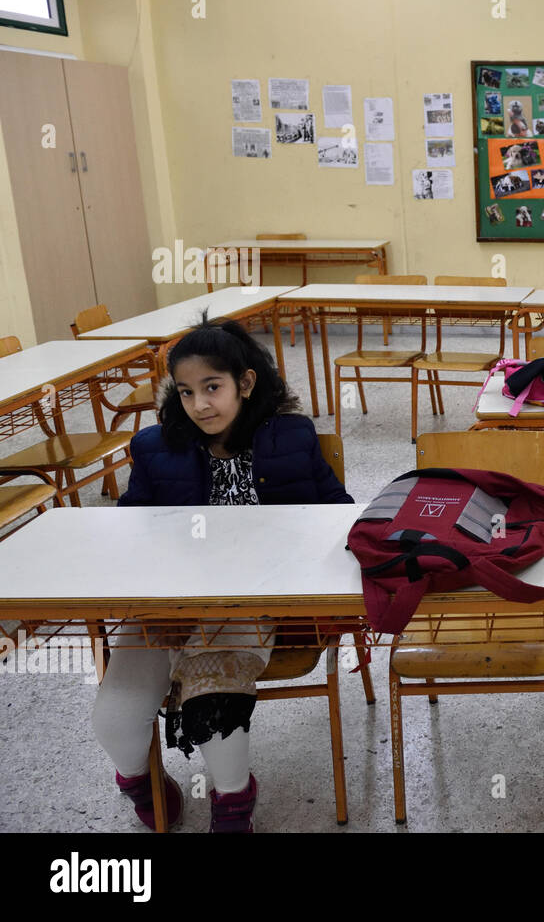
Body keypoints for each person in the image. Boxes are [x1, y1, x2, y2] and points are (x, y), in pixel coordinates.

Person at [93, 316, 352, 832]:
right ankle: (143, 782)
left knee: (214, 711)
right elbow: (130, 527)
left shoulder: (291, 438)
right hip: (165, 605)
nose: (200, 405)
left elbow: (338, 515)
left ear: (245, 382)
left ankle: (233, 803)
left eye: (213, 388)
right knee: (115, 719)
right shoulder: (154, 447)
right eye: (186, 392)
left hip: (246, 604)